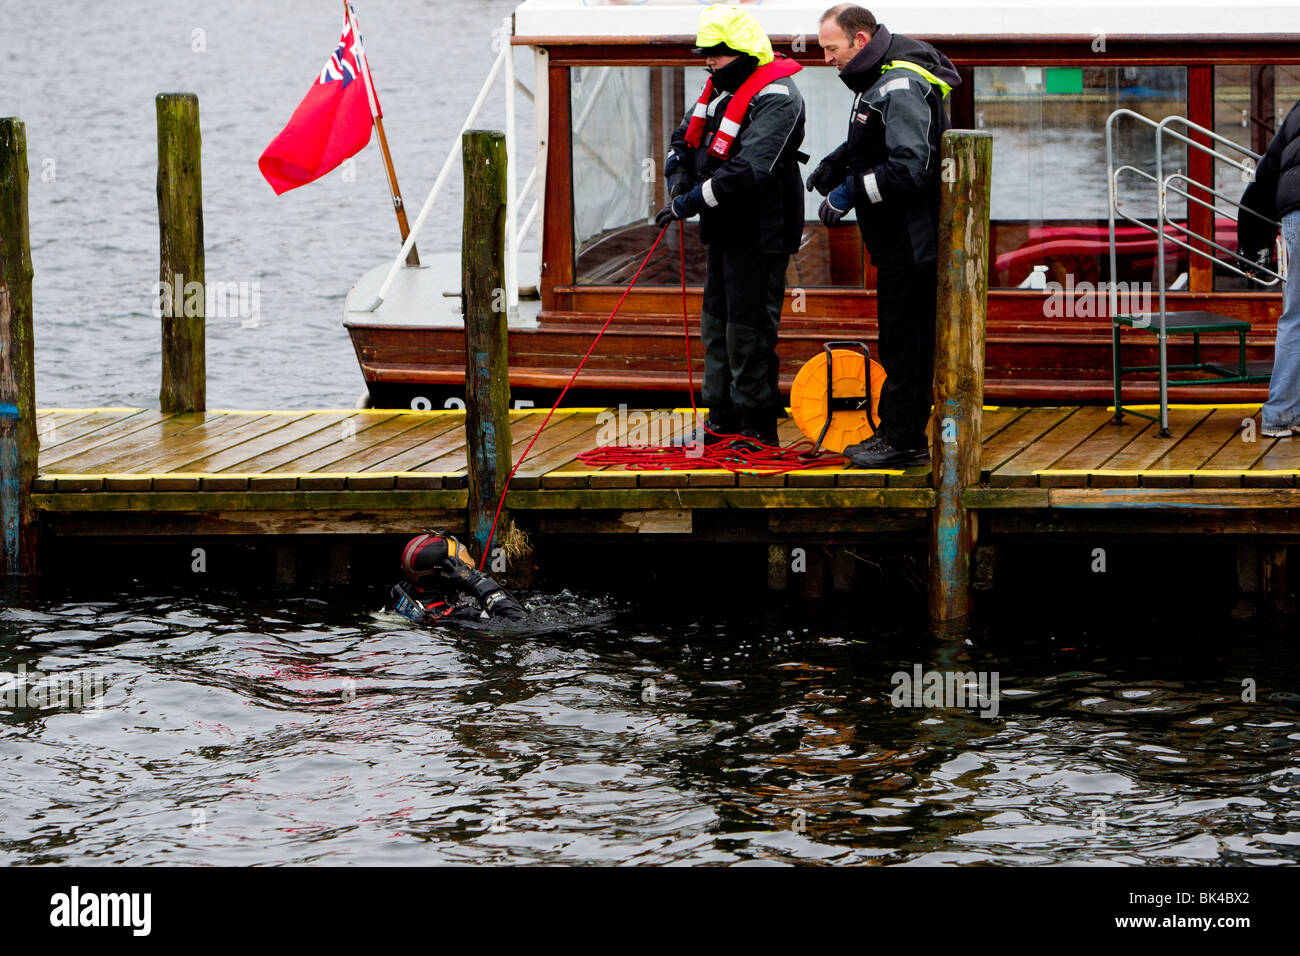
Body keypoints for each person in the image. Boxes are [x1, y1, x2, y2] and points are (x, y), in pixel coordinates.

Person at [808, 4, 960, 468]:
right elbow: (874, 138)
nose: (826, 59)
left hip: (912, 247)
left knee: (905, 343)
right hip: (896, 244)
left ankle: (903, 439)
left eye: (831, 49)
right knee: (898, 338)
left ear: (859, 40)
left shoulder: (899, 83)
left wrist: (850, 191)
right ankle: (898, 431)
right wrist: (836, 163)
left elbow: (910, 169)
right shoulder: (881, 77)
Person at [656, 5, 807, 447]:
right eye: (706, 54)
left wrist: (688, 203)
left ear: (741, 54)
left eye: (717, 56)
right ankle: (720, 421)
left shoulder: (779, 96)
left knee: (749, 330)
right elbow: (680, 140)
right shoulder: (718, 90)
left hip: (761, 232)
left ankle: (758, 429)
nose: (709, 62)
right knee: (716, 325)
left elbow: (749, 170)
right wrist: (678, 175)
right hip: (723, 229)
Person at [1238, 97, 1300, 437]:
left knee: (1297, 316)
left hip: (1294, 215)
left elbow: (1266, 172)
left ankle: (1281, 415)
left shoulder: (1297, 111)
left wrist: (1253, 246)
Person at [390, 532, 526, 623]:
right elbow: (520, 620)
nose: (468, 566)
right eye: (461, 562)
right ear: (446, 574)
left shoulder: (407, 592)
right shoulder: (461, 615)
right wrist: (473, 580)